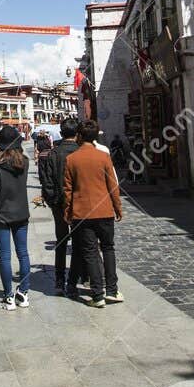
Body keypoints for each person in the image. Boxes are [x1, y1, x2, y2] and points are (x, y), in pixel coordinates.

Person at [62, 118, 122, 307]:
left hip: (82, 213)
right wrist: (117, 207)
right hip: (104, 210)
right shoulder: (104, 157)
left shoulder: (72, 159)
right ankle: (112, 290)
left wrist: (67, 211)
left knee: (90, 252)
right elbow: (113, 185)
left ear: (79, 136)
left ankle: (97, 295)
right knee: (108, 248)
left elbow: (67, 190)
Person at [0, 125, 32, 310]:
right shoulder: (25, 163)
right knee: (23, 254)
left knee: (5, 257)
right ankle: (24, 293)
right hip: (21, 214)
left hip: (1, 216)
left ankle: (8, 297)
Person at [39, 117, 82, 293]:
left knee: (61, 241)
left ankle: (59, 279)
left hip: (59, 204)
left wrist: (53, 201)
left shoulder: (53, 154)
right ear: (77, 133)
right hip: (79, 204)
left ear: (62, 134)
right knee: (79, 242)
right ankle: (75, 280)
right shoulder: (80, 152)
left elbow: (47, 182)